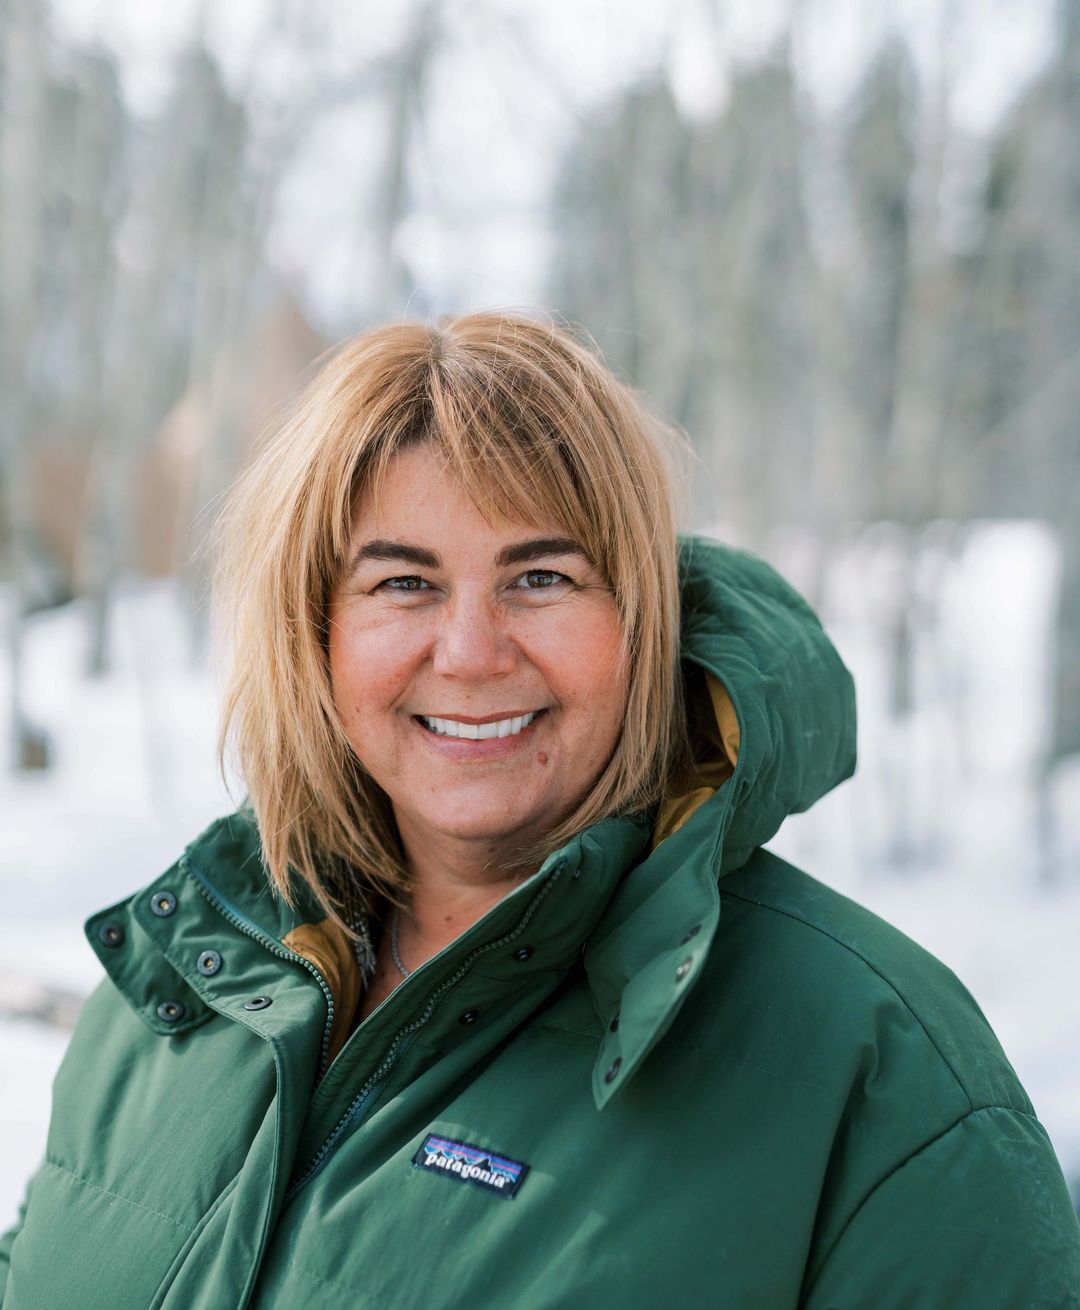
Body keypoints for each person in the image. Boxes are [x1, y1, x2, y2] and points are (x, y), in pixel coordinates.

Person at [1, 311, 1078, 1309]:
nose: (471, 652)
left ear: (642, 624)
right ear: (315, 632)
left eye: (544, 577)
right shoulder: (181, 985)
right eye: (403, 584)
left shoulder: (876, 1070)